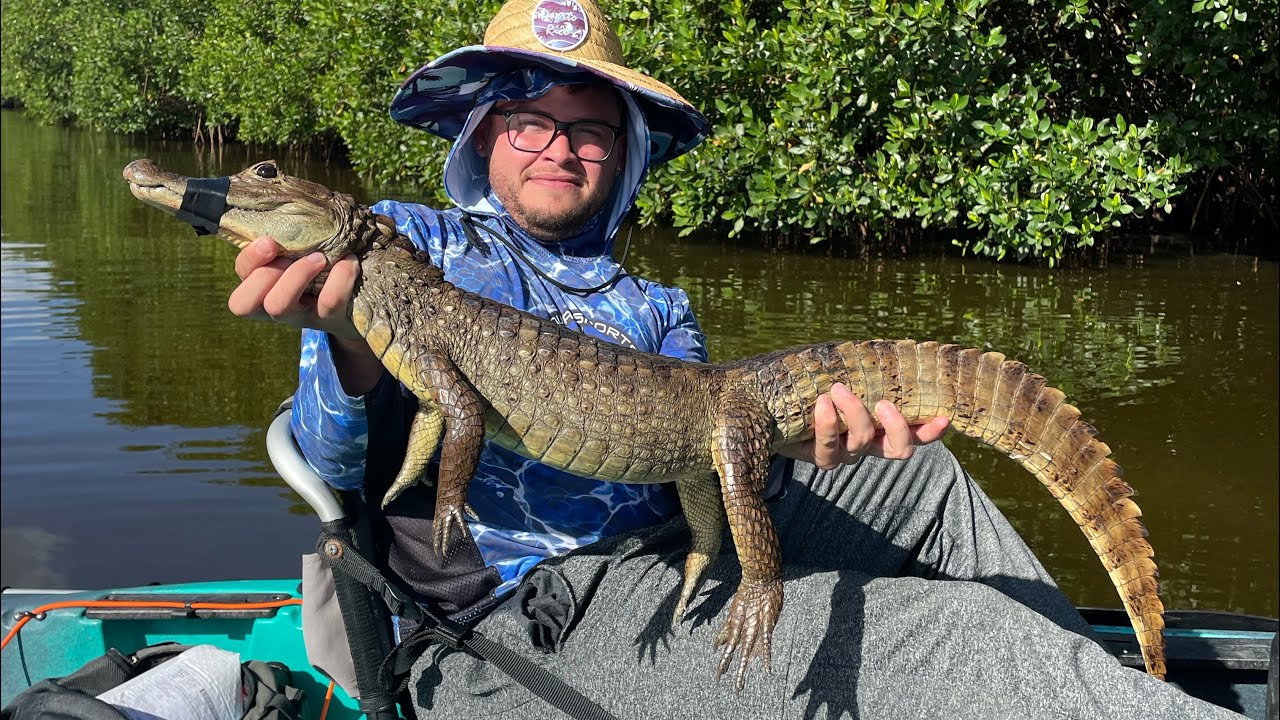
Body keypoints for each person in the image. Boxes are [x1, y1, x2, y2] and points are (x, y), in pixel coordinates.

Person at [227, 0, 1245, 717]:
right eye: (527, 120)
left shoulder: (654, 308)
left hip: (674, 543)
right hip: (518, 620)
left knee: (923, 477)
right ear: (481, 134)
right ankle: (1021, 677)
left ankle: (1078, 687)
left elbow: (707, 472)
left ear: (625, 153)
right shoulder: (406, 244)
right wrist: (344, 340)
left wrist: (807, 444)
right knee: (957, 634)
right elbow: (327, 471)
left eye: (590, 129)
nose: (557, 147)